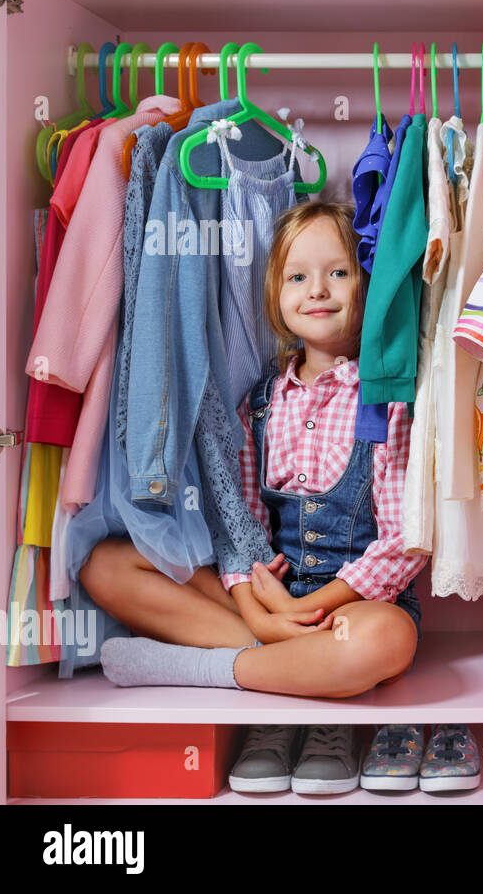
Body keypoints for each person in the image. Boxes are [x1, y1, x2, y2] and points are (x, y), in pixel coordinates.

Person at [88, 201, 423, 701]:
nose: (317, 290)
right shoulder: (259, 404)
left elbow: (402, 542)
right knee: (107, 565)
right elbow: (238, 527)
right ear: (275, 295)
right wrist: (257, 609)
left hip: (353, 607)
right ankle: (282, 653)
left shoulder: (387, 402)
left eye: (338, 272)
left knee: (385, 639)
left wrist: (302, 611)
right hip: (267, 601)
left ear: (368, 284)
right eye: (297, 278)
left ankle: (212, 667)